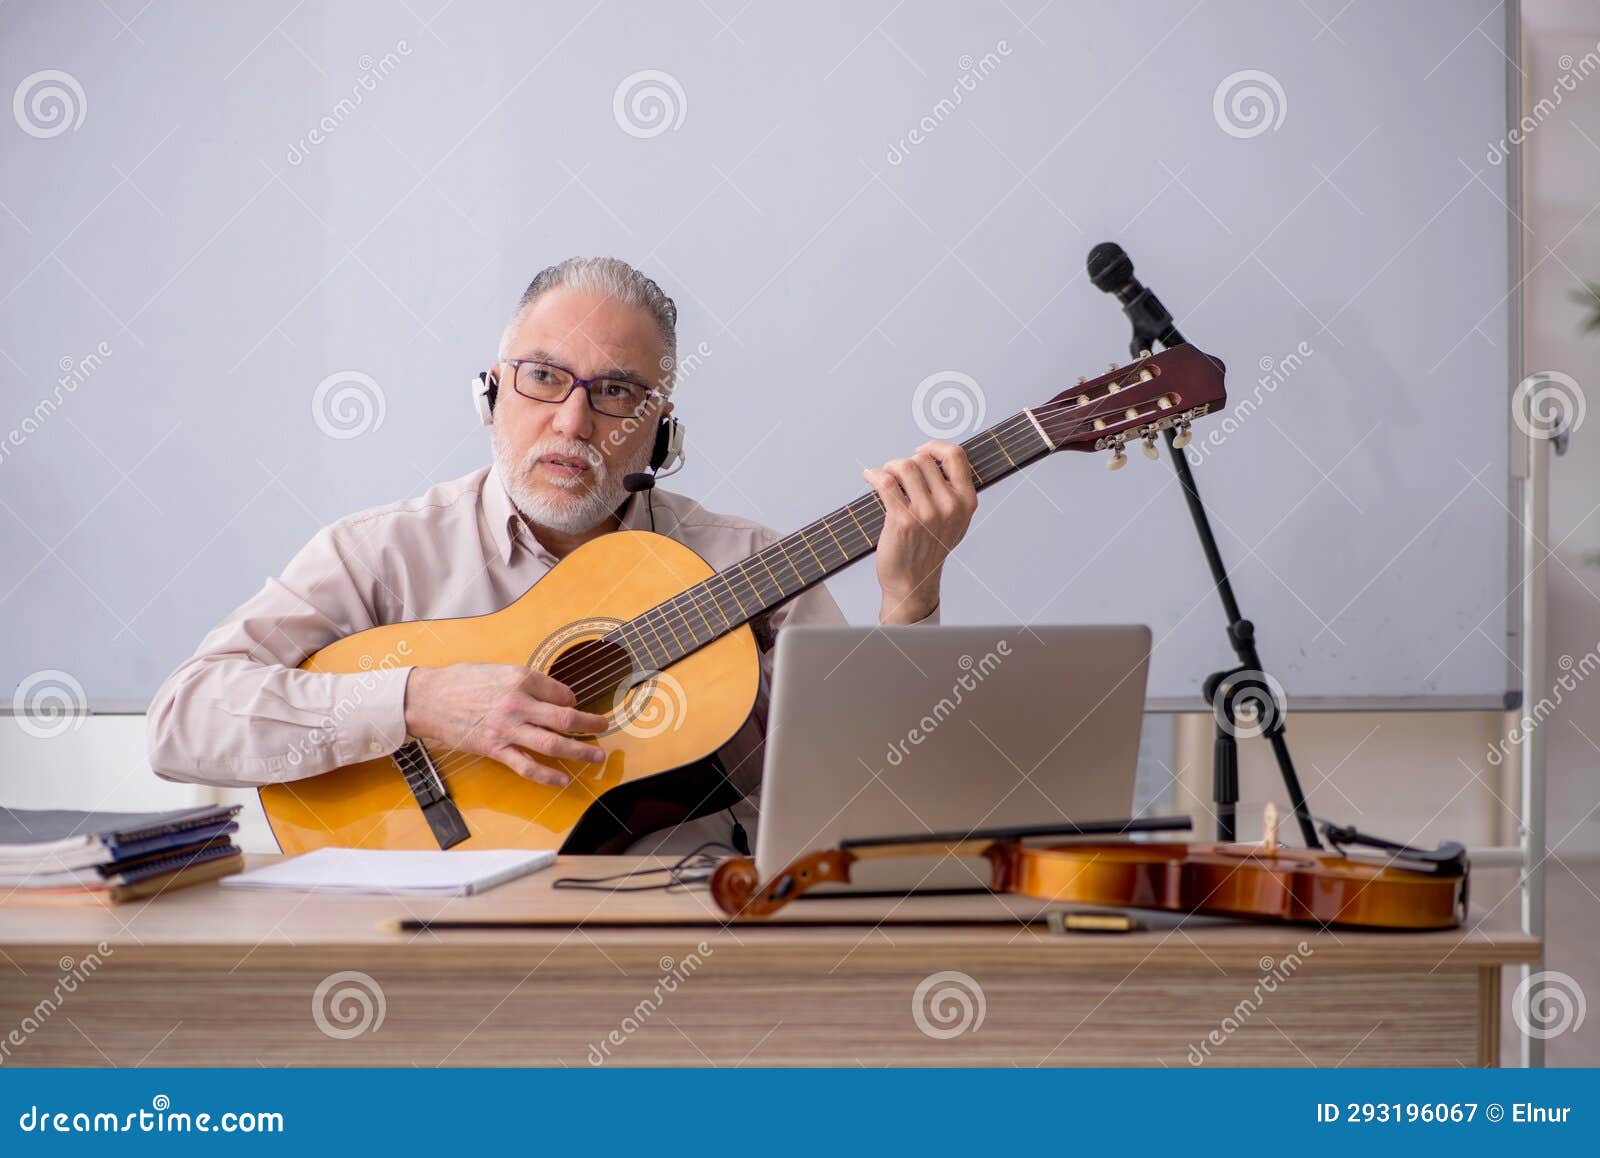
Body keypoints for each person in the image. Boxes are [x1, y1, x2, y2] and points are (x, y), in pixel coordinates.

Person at [148, 256, 978, 852]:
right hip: (425, 947)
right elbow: (183, 722)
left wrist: (912, 600)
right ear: (492, 392)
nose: (573, 423)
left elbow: (883, 803)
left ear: (662, 427)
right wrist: (415, 702)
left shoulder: (744, 562)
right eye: (543, 377)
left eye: (616, 392)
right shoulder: (382, 552)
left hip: (689, 941)